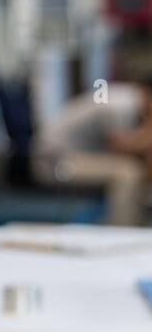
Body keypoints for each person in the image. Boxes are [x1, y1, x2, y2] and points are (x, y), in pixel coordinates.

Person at [34, 82, 152, 226]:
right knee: (128, 173)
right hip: (54, 163)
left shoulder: (126, 98)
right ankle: (121, 232)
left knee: (131, 169)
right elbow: (123, 148)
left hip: (69, 157)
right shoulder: (121, 106)